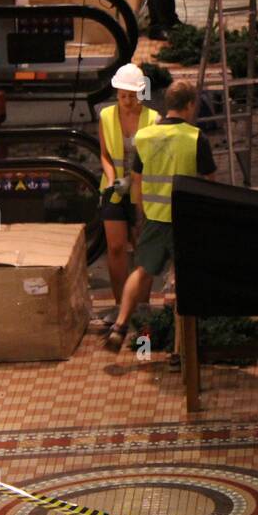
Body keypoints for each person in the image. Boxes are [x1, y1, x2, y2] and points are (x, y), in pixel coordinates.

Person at [105, 80, 215, 351]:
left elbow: (138, 181)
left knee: (142, 271)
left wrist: (140, 216)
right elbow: (210, 182)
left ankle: (119, 326)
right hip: (185, 219)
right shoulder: (195, 138)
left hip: (154, 218)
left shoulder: (145, 137)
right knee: (182, 280)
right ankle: (181, 351)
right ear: (190, 105)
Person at [97, 63, 159, 321]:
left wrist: (136, 184)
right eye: (122, 95)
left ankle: (141, 306)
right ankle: (120, 304)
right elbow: (104, 155)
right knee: (116, 248)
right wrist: (112, 180)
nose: (127, 101)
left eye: (132, 96)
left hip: (142, 192)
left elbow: (155, 160)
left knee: (142, 249)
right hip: (114, 190)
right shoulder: (106, 116)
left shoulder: (153, 119)